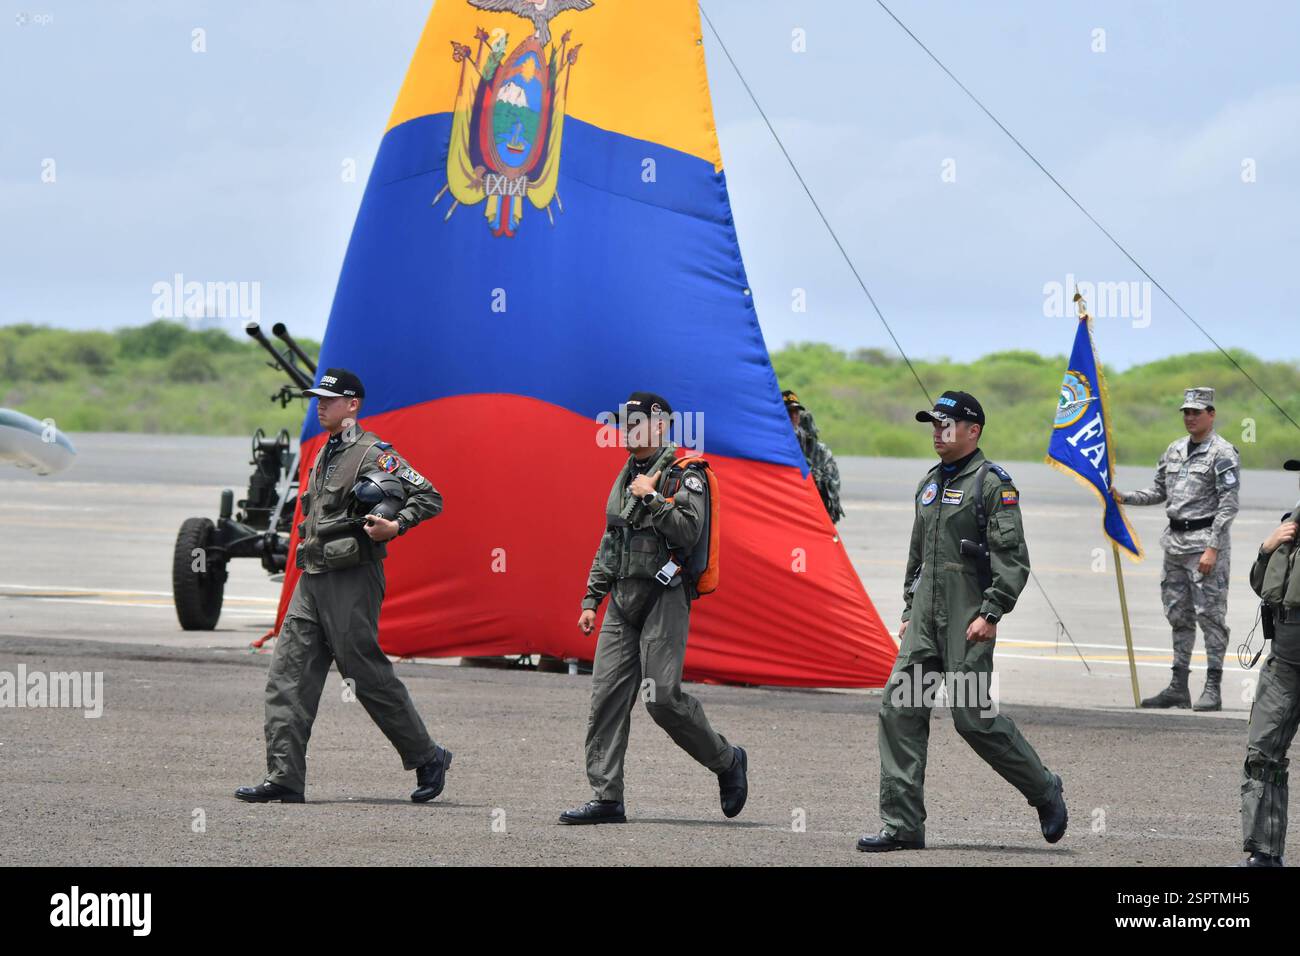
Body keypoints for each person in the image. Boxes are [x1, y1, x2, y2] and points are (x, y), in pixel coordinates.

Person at [859, 390, 1066, 852]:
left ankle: (1044, 787)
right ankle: (903, 825)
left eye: (947, 424)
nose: (938, 432)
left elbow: (1013, 560)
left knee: (973, 719)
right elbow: (917, 557)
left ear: (973, 431)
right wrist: (909, 610)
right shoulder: (929, 483)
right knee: (899, 710)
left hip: (966, 618)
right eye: (934, 424)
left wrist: (992, 611)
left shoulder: (992, 484)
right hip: (924, 624)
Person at [235, 368, 451, 804]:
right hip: (312, 577)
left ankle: (427, 756)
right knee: (287, 678)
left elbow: (429, 496)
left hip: (352, 577)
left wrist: (395, 525)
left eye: (329, 400)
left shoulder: (374, 454)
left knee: (364, 674)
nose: (321, 406)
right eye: (318, 399)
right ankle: (284, 777)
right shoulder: (324, 452)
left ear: (353, 404)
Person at [560, 391, 748, 824]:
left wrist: (651, 498)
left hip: (665, 596)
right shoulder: (626, 473)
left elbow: (689, 530)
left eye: (635, 421)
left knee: (662, 698)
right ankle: (607, 798)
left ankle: (727, 760)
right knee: (606, 697)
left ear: (660, 426)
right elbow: (611, 541)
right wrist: (592, 598)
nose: (625, 429)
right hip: (623, 601)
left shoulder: (685, 474)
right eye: (623, 422)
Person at [1116, 386, 1241, 711]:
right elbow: (1159, 491)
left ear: (1211, 415)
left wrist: (1213, 548)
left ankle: (1212, 686)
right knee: (1178, 615)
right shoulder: (1174, 450)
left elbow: (1228, 506)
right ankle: (1178, 686)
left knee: (1210, 617)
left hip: (1205, 546)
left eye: (1196, 412)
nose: (1190, 417)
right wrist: (1124, 497)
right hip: (1174, 545)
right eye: (1186, 412)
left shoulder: (1222, 453)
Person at [1238, 458, 1300, 866]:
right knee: (1262, 756)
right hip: (1285, 663)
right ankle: (1264, 854)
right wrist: (1267, 547)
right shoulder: (1290, 526)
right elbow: (1262, 583)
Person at [782, 389, 845, 523]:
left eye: (796, 412)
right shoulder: (772, 443)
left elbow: (833, 484)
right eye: (789, 412)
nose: (793, 416)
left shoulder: (817, 449)